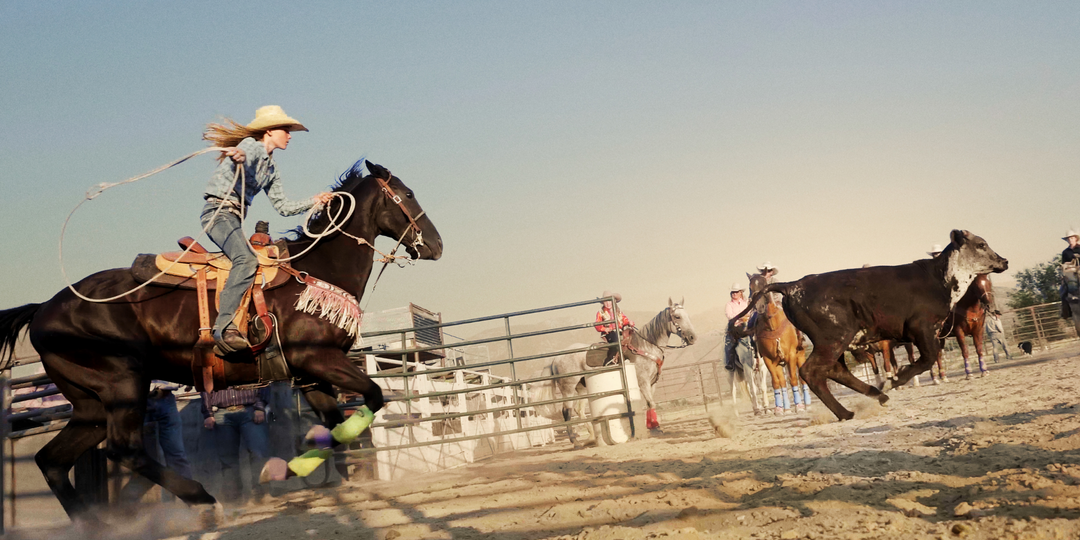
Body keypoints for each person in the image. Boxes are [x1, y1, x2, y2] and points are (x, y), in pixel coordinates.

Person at [202, 105, 336, 354]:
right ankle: (223, 328)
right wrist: (237, 158)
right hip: (217, 214)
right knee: (246, 259)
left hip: (232, 218)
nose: (290, 135)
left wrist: (314, 200)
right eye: (286, 129)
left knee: (253, 259)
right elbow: (240, 157)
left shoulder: (272, 169)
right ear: (270, 131)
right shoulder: (250, 146)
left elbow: (283, 207)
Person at [201, 385, 272, 503]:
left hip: (250, 409)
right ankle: (234, 498)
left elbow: (263, 381)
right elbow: (205, 385)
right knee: (227, 459)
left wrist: (260, 407)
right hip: (221, 412)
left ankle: (262, 494)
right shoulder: (213, 365)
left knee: (258, 453)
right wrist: (208, 414)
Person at [144, 381, 194, 481]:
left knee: (176, 453)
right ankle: (136, 495)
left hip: (166, 398)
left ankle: (187, 493)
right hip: (140, 400)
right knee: (144, 456)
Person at [725, 283, 752, 370]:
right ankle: (730, 361)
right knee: (730, 342)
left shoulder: (746, 302)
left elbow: (751, 311)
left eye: (736, 292)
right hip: (736, 326)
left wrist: (747, 317)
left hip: (749, 324)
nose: (734, 294)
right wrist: (741, 317)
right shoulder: (729, 304)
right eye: (733, 292)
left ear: (740, 292)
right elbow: (729, 315)